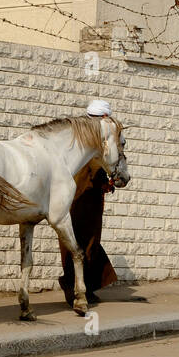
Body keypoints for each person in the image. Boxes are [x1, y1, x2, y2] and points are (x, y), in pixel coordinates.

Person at [59, 99, 118, 306]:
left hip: (72, 194)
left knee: (75, 241)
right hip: (85, 194)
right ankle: (76, 288)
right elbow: (95, 166)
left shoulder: (77, 133)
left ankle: (81, 286)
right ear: (103, 118)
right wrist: (106, 182)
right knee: (85, 242)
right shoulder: (95, 137)